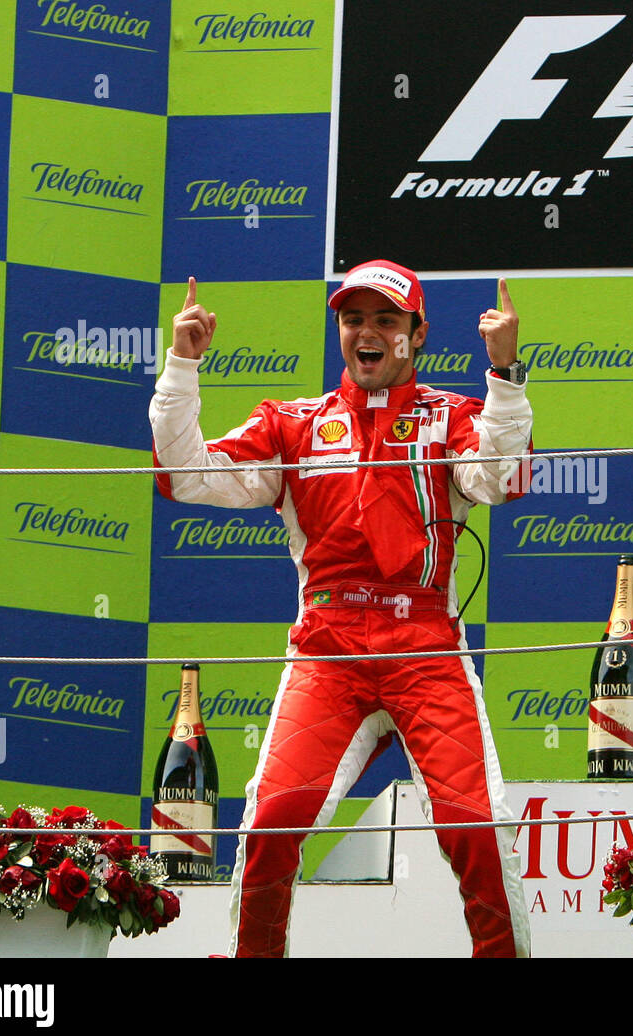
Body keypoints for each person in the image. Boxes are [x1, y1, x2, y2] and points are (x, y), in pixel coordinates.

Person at [149, 260, 533, 957]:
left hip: (426, 648)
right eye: (353, 318)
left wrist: (504, 377)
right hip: (327, 652)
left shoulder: (453, 415)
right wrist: (181, 365)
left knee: (475, 823)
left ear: (417, 334)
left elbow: (504, 478)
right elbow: (184, 474)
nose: (367, 332)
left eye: (386, 320)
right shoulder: (294, 424)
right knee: (271, 821)